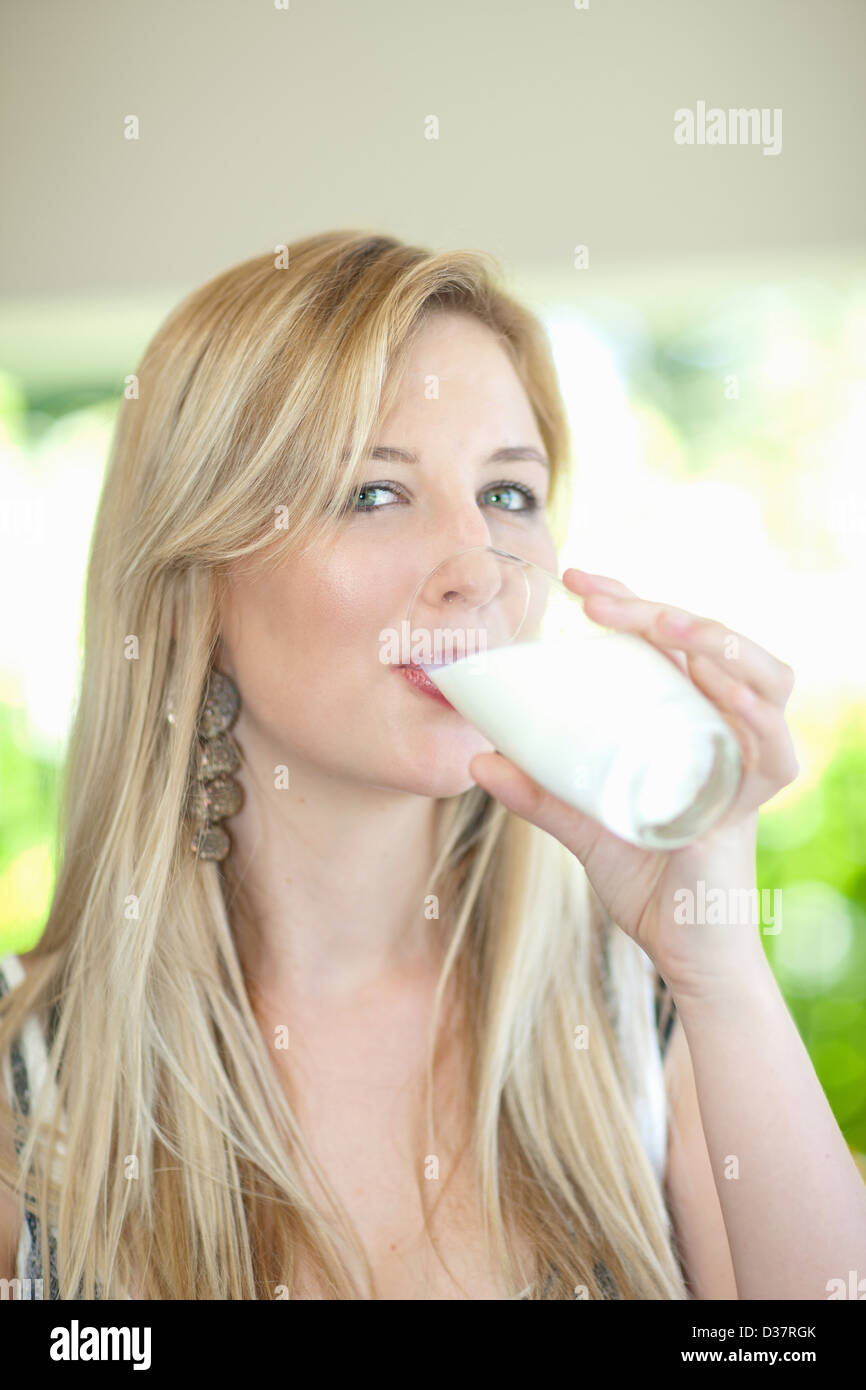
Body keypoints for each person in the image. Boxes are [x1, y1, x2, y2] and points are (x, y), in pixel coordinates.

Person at [1, 232, 862, 1300]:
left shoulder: (648, 1018)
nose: (478, 570)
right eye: (372, 492)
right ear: (196, 590)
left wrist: (719, 967)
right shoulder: (25, 1089)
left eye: (506, 494)